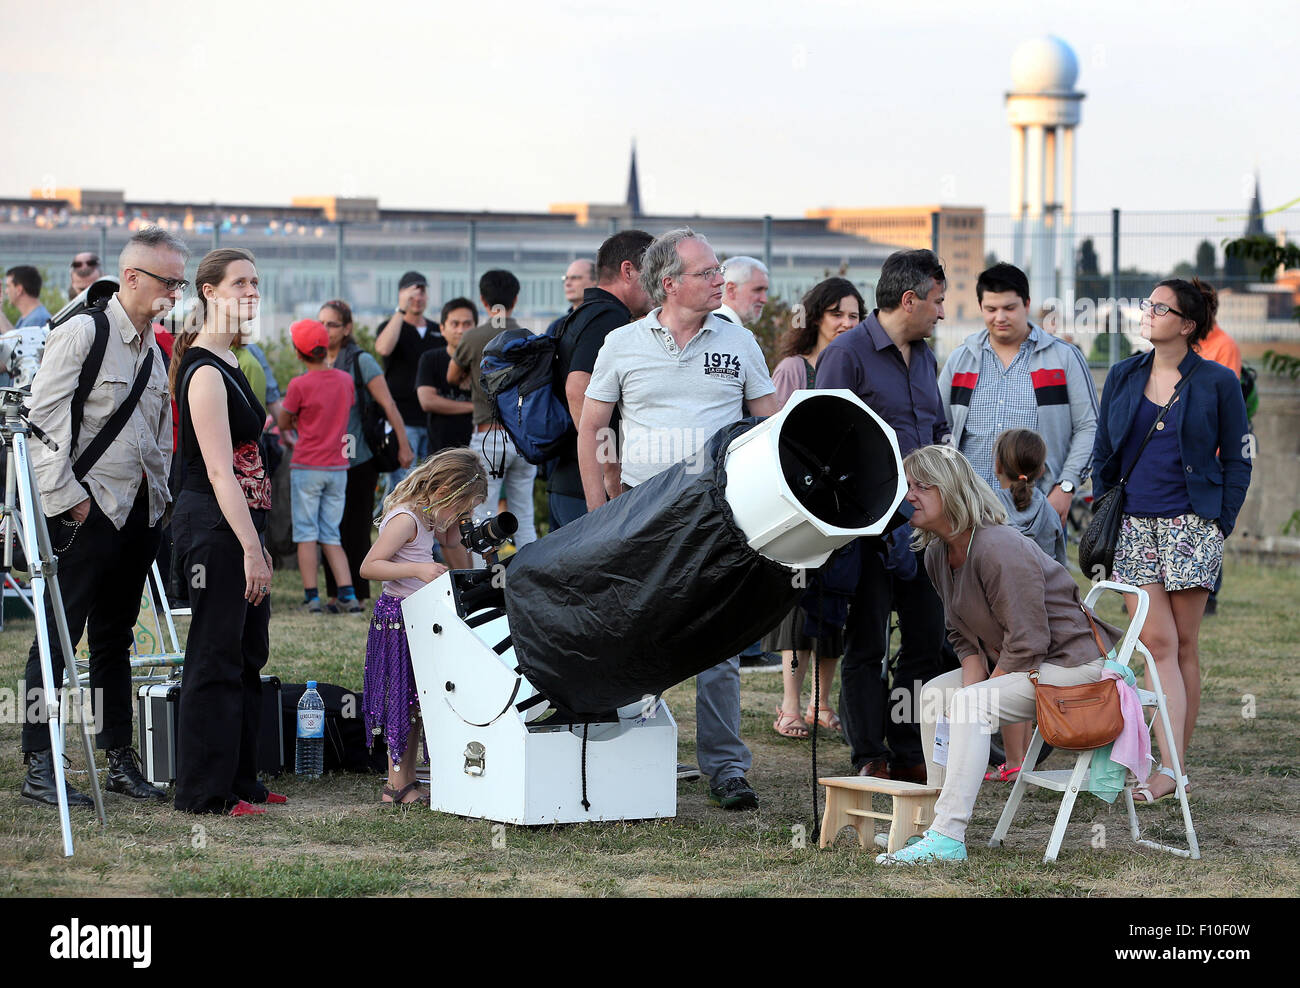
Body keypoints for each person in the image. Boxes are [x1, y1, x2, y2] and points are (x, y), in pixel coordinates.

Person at [577, 228, 779, 810]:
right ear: (669, 283)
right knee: (639, 633)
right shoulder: (621, 342)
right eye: (709, 272)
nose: (721, 280)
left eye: (720, 272)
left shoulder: (739, 344)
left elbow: (768, 427)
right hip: (643, 510)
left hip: (722, 515)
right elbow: (594, 429)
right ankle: (633, 758)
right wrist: (599, 515)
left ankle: (726, 769)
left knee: (719, 645)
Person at [874, 444, 1119, 864]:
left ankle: (950, 836)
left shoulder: (998, 546)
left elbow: (1028, 640)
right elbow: (962, 636)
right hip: (1033, 664)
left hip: (1074, 667)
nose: (907, 495)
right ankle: (932, 826)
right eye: (906, 486)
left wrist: (977, 698)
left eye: (920, 487)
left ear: (951, 491)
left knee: (970, 704)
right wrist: (972, 693)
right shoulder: (936, 552)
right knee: (935, 695)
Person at [19, 227, 183, 807]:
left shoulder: (155, 348)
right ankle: (40, 762)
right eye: (169, 281)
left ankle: (119, 760)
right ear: (133, 277)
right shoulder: (83, 332)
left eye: (181, 283)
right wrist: (70, 501)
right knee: (57, 638)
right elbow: (41, 426)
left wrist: (158, 503)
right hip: (85, 513)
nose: (175, 292)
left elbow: (157, 434)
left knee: (116, 639)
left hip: (138, 514)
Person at [1091, 278, 1251, 803]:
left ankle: (1172, 768)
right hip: (1134, 528)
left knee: (1183, 646)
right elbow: (1103, 453)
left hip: (1191, 525)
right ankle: (1171, 768)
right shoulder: (1122, 374)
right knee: (1156, 645)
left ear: (1186, 324)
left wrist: (1218, 521)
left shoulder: (1217, 382)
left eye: (1161, 307)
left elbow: (1240, 456)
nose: (1149, 312)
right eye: (1149, 305)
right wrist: (1103, 507)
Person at [814, 248, 951, 782]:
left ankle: (906, 746)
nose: (941, 313)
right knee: (867, 644)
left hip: (923, 528)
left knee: (925, 642)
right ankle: (868, 753)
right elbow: (822, 442)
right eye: (937, 302)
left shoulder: (928, 357)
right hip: (868, 529)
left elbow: (937, 432)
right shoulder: (846, 355)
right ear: (910, 299)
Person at [170, 247, 281, 817]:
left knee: (247, 653)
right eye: (240, 283)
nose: (251, 292)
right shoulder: (205, 369)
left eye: (256, 283)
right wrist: (249, 549)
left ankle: (241, 779)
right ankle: (203, 792)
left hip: (243, 524)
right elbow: (217, 469)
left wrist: (257, 541)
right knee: (214, 657)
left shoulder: (231, 360)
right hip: (216, 528)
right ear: (209, 292)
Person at [765, 277, 864, 739]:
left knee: (835, 605)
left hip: (846, 506)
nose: (846, 323)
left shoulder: (859, 366)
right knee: (797, 607)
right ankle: (789, 705)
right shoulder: (793, 369)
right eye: (836, 314)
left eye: (853, 315)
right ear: (816, 317)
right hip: (799, 506)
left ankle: (821, 704)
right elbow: (775, 435)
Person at [360, 448, 486, 804]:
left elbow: (452, 543)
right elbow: (370, 566)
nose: (466, 516)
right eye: (463, 509)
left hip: (418, 615)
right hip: (398, 620)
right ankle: (395, 786)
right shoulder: (407, 519)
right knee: (400, 697)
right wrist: (418, 570)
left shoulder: (428, 518)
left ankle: (409, 780)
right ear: (446, 491)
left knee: (417, 700)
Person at [938, 262, 1097, 525]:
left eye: (1009, 308)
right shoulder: (960, 360)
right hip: (969, 512)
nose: (1000, 317)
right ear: (981, 308)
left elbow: (1089, 427)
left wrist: (1066, 486)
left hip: (1037, 512)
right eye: (991, 309)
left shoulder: (1063, 358)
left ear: (1027, 304)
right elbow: (938, 427)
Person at [546, 229, 654, 530]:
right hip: (586, 491)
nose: (659, 285)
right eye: (654, 272)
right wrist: (608, 469)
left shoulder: (586, 313)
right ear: (628, 271)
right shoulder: (608, 318)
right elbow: (578, 390)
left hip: (569, 483)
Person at [986, 427, 1067, 782]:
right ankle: (1019, 763)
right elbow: (1059, 561)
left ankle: (1012, 759)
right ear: (1040, 469)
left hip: (1002, 612)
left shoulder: (989, 507)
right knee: (1026, 680)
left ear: (998, 465)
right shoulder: (1048, 512)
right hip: (1039, 611)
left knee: (1005, 683)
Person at [322, 299, 413, 609]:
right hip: (327, 460)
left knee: (356, 526)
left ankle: (359, 595)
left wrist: (403, 445)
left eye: (332, 324)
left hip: (359, 459)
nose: (325, 330)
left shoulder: (361, 361)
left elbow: (389, 405)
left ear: (347, 328)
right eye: (321, 324)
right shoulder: (320, 360)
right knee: (329, 525)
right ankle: (335, 593)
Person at [449, 269, 538, 548]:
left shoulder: (473, 338)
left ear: (483, 301)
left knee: (483, 515)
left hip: (488, 436)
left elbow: (451, 377)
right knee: (524, 513)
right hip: (523, 439)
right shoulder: (529, 337)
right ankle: (531, 580)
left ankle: (489, 582)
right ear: (515, 299)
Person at [278, 319, 358, 613]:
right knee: (331, 534)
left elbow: (284, 420)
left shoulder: (299, 385)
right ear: (326, 347)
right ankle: (348, 594)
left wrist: (296, 424)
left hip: (307, 465)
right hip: (338, 468)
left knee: (306, 534)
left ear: (299, 354)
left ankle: (312, 597)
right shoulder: (345, 380)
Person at [374, 270, 443, 484]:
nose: (418, 298)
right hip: (403, 420)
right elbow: (383, 348)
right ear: (401, 295)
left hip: (434, 419)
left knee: (434, 485)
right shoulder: (391, 327)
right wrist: (401, 310)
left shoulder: (436, 330)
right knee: (403, 485)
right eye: (412, 293)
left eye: (422, 292)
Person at [416, 297, 476, 455]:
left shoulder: (485, 361)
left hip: (480, 451)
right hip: (440, 453)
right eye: (455, 324)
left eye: (467, 324)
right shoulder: (430, 359)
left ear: (476, 328)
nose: (461, 330)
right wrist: (474, 407)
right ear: (442, 328)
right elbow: (428, 401)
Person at [545, 259, 597, 335]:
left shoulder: (603, 318)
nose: (567, 283)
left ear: (595, 281)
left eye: (575, 278)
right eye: (566, 278)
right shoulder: (556, 326)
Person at [715, 256, 769, 328]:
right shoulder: (723, 331)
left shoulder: (716, 326)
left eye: (765, 291)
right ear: (731, 290)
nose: (764, 299)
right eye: (758, 290)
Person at [3, 264, 52, 331]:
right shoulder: (29, 317)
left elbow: (15, 340)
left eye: (8, 286)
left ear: (19, 290)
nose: (6, 291)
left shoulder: (37, 320)